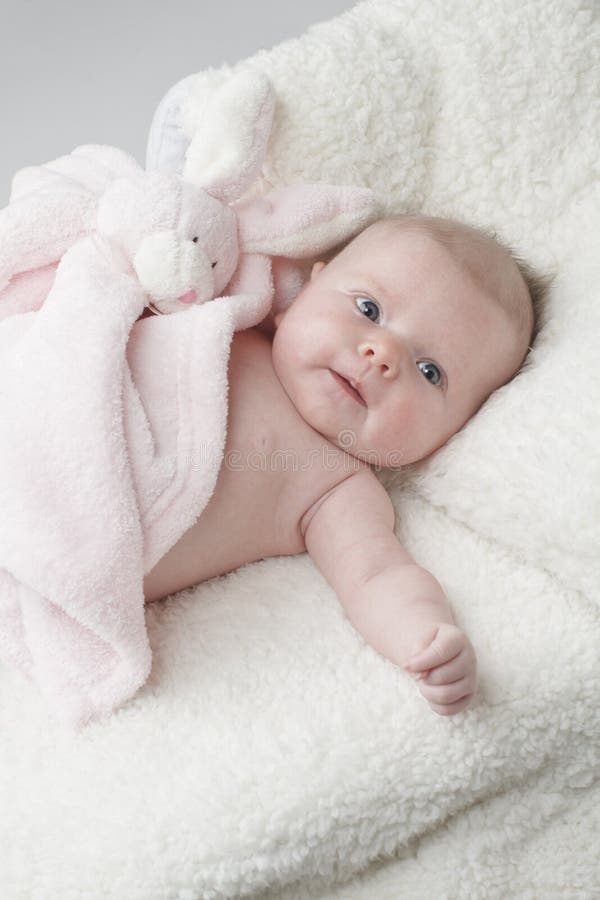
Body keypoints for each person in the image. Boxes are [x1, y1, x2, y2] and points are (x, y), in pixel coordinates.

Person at [143, 214, 547, 716]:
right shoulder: (230, 320)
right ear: (310, 286)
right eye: (369, 308)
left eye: (430, 371)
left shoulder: (337, 489)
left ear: (454, 432)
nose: (382, 354)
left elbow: (376, 576)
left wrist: (425, 636)